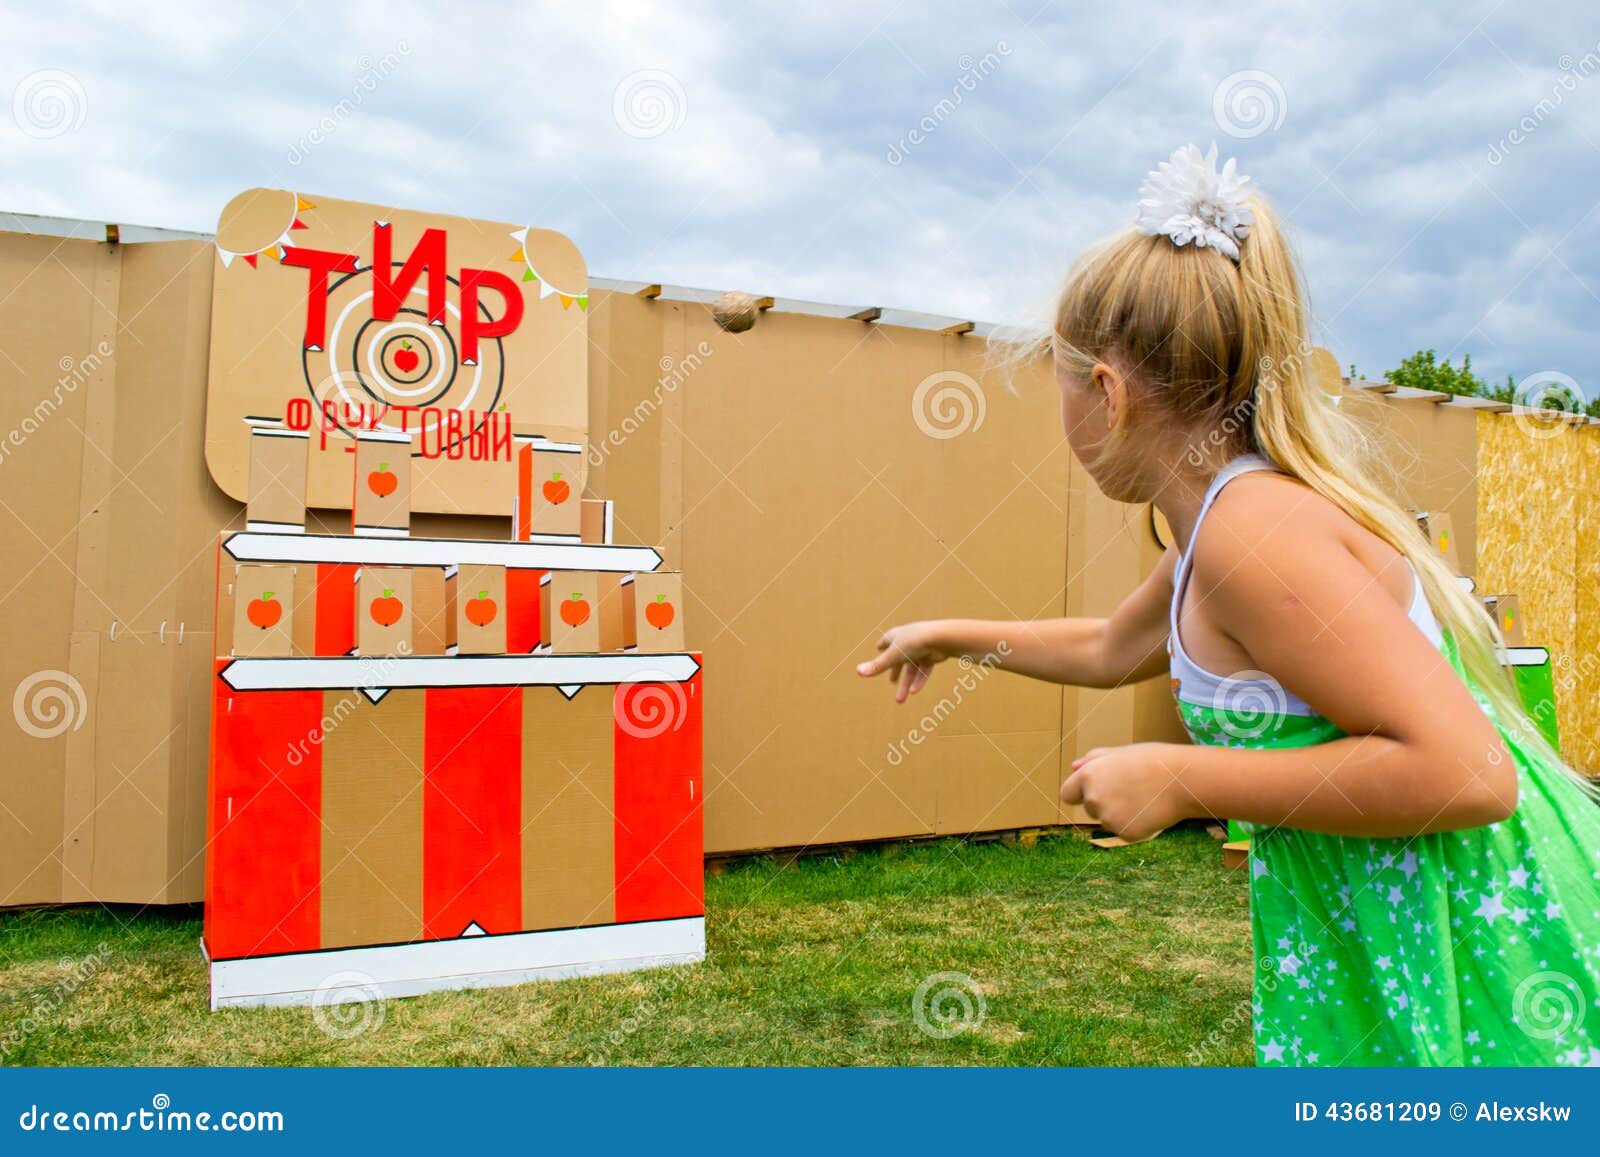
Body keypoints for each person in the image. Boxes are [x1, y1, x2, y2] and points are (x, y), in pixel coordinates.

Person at [857, 144, 1600, 1067]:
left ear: (1107, 393)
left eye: (1056, 387)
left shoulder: (1254, 537)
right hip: (1386, 920)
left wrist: (1183, 778)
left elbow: (1466, 771)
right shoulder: (1216, 528)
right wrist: (953, 636)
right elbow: (1107, 647)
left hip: (1480, 929)